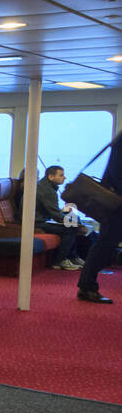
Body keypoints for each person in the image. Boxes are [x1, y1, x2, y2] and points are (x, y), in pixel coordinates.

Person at [77, 130, 122, 304]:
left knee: (105, 245)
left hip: (115, 203)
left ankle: (86, 286)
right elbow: (117, 177)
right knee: (104, 246)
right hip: (116, 205)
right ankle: (87, 287)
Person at [34, 166, 87, 270]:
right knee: (70, 229)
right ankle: (60, 261)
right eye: (61, 175)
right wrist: (78, 225)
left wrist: (73, 220)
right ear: (51, 177)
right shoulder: (47, 190)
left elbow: (53, 210)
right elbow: (56, 215)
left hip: (42, 219)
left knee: (72, 220)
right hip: (36, 222)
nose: (64, 177)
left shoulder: (45, 186)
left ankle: (72, 257)